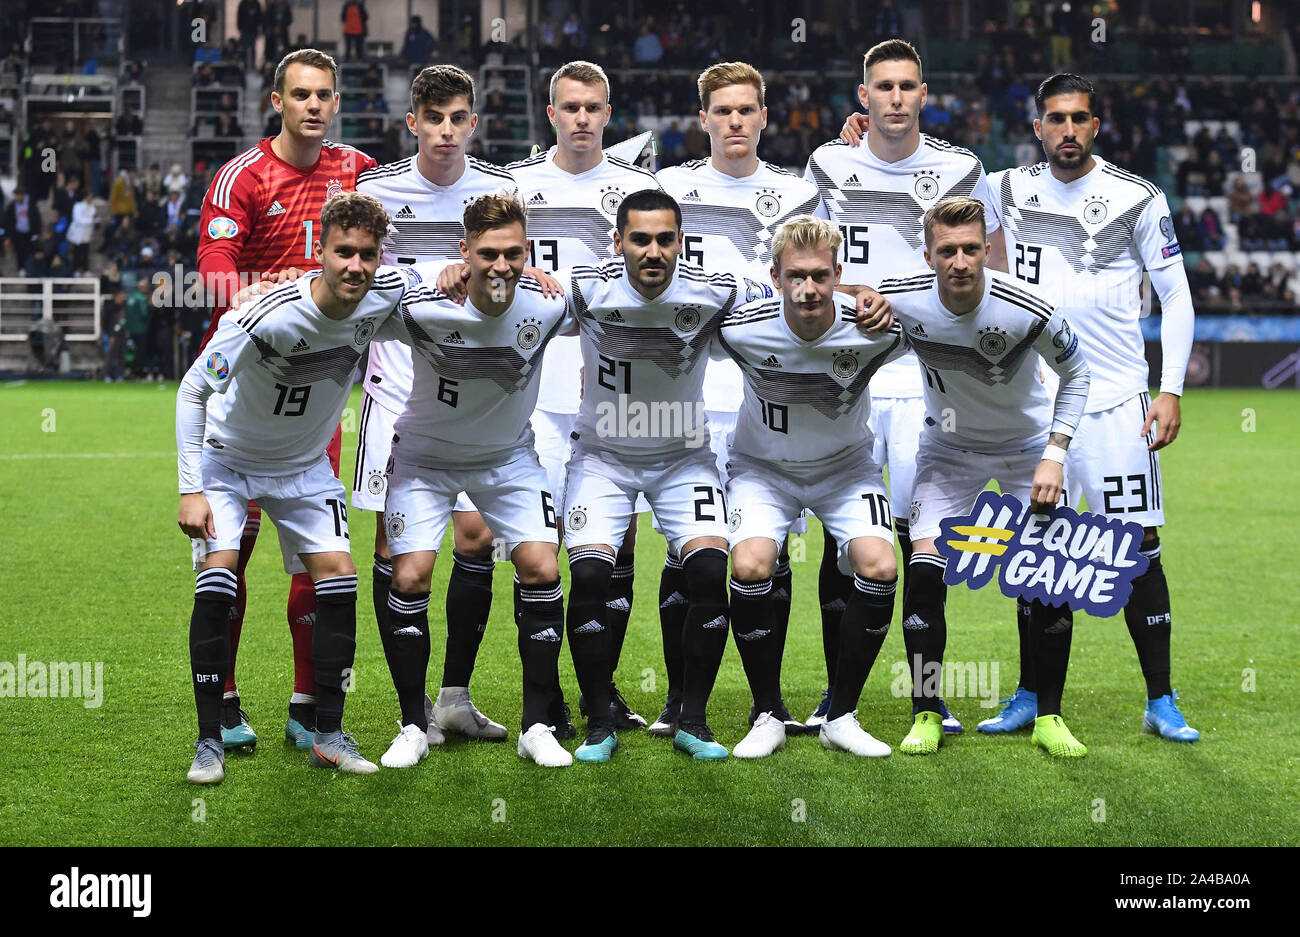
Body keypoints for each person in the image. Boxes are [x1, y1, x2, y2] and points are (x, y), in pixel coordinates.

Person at [985, 73, 1198, 741]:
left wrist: (1172, 387)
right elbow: (921, 198)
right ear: (1038, 125)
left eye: (1079, 118)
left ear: (1096, 125)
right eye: (1056, 119)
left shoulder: (1136, 196)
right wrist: (860, 132)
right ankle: (1030, 695)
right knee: (1039, 546)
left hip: (1114, 401)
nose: (1067, 130)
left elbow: (1177, 296)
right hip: (1032, 405)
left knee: (1137, 542)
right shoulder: (1002, 190)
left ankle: (1160, 699)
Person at [806, 37, 1008, 732]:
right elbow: (810, 265)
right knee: (847, 540)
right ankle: (839, 697)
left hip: (930, 386)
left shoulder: (962, 168)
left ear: (926, 95)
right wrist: (860, 290)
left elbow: (996, 270)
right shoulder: (828, 163)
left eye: (908, 86)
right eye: (883, 87)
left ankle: (928, 697)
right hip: (852, 378)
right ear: (863, 97)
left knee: (926, 545)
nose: (896, 98)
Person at [177, 192, 410, 783]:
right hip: (228, 465)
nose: (355, 266)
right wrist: (190, 489)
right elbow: (192, 390)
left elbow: (438, 283)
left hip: (306, 470)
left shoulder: (383, 298)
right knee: (219, 577)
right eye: (343, 253)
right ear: (321, 252)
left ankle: (328, 734)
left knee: (339, 578)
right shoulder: (264, 315)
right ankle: (209, 742)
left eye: (366, 255)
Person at [195, 47, 378, 753]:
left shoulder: (357, 171)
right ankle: (227, 700)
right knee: (229, 555)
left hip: (317, 399)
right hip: (246, 386)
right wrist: (237, 293)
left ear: (335, 102)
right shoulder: (243, 175)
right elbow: (215, 258)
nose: (312, 105)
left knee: (313, 558)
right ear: (277, 100)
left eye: (324, 95)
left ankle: (308, 706)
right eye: (299, 93)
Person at [654, 60, 835, 738]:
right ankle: (678, 699)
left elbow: (816, 291)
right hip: (689, 393)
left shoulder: (799, 193)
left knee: (770, 548)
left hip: (770, 394)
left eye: (746, 110)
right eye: (722, 111)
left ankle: (769, 699)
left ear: (764, 117)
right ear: (703, 119)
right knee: (687, 552)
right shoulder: (668, 187)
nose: (734, 121)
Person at [559, 189, 769, 762]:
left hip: (684, 458)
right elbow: (512, 296)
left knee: (707, 570)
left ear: (681, 240)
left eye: (665, 239)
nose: (653, 252)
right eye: (641, 239)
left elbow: (799, 293)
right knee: (593, 581)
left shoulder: (714, 290)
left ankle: (692, 720)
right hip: (603, 458)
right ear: (619, 241)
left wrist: (863, 295)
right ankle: (599, 720)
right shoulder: (586, 288)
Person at [878, 195, 1092, 757]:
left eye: (972, 248)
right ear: (928, 256)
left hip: (1027, 451)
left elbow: (1078, 371)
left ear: (988, 250)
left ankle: (1049, 715)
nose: (961, 261)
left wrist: (1056, 452)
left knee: (1049, 578)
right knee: (923, 572)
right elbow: (845, 300)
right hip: (948, 451)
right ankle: (927, 712)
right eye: (947, 250)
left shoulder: (1028, 305)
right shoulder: (902, 299)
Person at [354, 65, 523, 745]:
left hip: (474, 390)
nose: (446, 131)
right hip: (396, 388)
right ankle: (411, 706)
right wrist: (432, 278)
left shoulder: (501, 190)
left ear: (473, 123)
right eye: (434, 118)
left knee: (477, 536)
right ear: (413, 123)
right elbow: (357, 273)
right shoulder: (375, 191)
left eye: (458, 118)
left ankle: (455, 694)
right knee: (398, 548)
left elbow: (514, 263)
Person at [375, 194, 573, 769]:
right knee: (410, 574)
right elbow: (353, 286)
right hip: (425, 460)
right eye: (488, 253)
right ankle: (414, 722)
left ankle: (537, 726)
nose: (502, 266)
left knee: (541, 565)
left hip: (509, 460)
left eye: (514, 253)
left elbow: (620, 298)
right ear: (464, 251)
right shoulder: (424, 301)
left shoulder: (549, 302)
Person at [505, 60, 664, 735]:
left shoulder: (638, 188)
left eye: (593, 107)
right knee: (538, 547)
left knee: (614, 548)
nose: (581, 119)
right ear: (551, 113)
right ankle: (542, 699)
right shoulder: (515, 185)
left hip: (613, 387)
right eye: (569, 107)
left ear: (607, 112)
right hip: (536, 388)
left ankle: (602, 689)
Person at [715, 215, 905, 759]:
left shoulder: (876, 327)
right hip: (762, 470)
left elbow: (941, 321)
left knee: (879, 565)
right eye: (795, 276)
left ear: (837, 274)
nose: (808, 289)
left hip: (846, 469)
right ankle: (768, 712)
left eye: (821, 276)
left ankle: (840, 714)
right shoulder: (741, 326)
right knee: (750, 565)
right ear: (775, 277)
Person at [68, 187, 96, 274]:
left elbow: (92, 217)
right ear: (86, 197)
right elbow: (78, 219)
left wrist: (92, 221)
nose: (91, 199)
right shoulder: (78, 206)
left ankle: (85, 269)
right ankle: (75, 269)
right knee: (77, 252)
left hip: (87, 233)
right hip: (79, 233)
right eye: (90, 197)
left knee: (86, 252)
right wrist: (90, 220)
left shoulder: (92, 207)